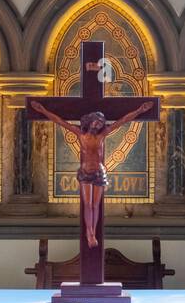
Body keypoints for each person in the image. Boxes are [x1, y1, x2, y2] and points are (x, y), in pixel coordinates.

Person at [29, 100, 154, 248]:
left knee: (95, 205)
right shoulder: (80, 134)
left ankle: (93, 232)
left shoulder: (102, 135)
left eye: (100, 123)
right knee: (88, 205)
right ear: (89, 121)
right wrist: (43, 110)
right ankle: (89, 232)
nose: (98, 125)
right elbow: (59, 121)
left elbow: (123, 121)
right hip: (85, 172)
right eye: (96, 122)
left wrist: (140, 110)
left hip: (99, 173)